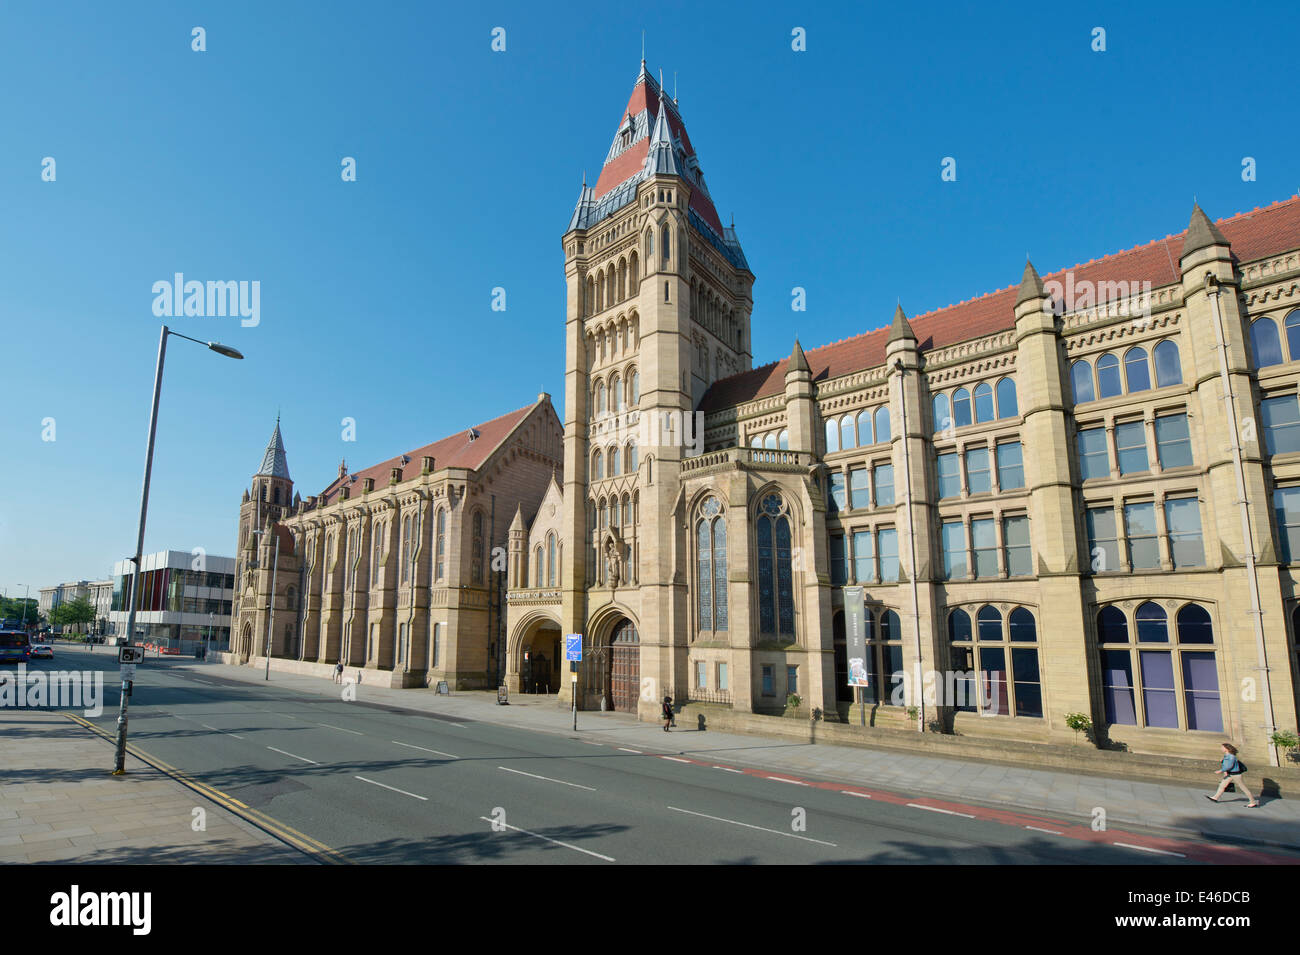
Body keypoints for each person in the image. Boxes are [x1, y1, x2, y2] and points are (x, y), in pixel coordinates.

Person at [1206, 742, 1258, 807]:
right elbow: (1225, 765)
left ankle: (1252, 802)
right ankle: (1215, 797)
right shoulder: (1226, 756)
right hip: (1230, 774)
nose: (1221, 748)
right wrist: (1225, 772)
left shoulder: (1231, 757)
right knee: (1222, 785)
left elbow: (1229, 766)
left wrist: (1221, 771)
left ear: (1226, 749)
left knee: (1243, 788)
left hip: (1236, 775)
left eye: (1222, 747)